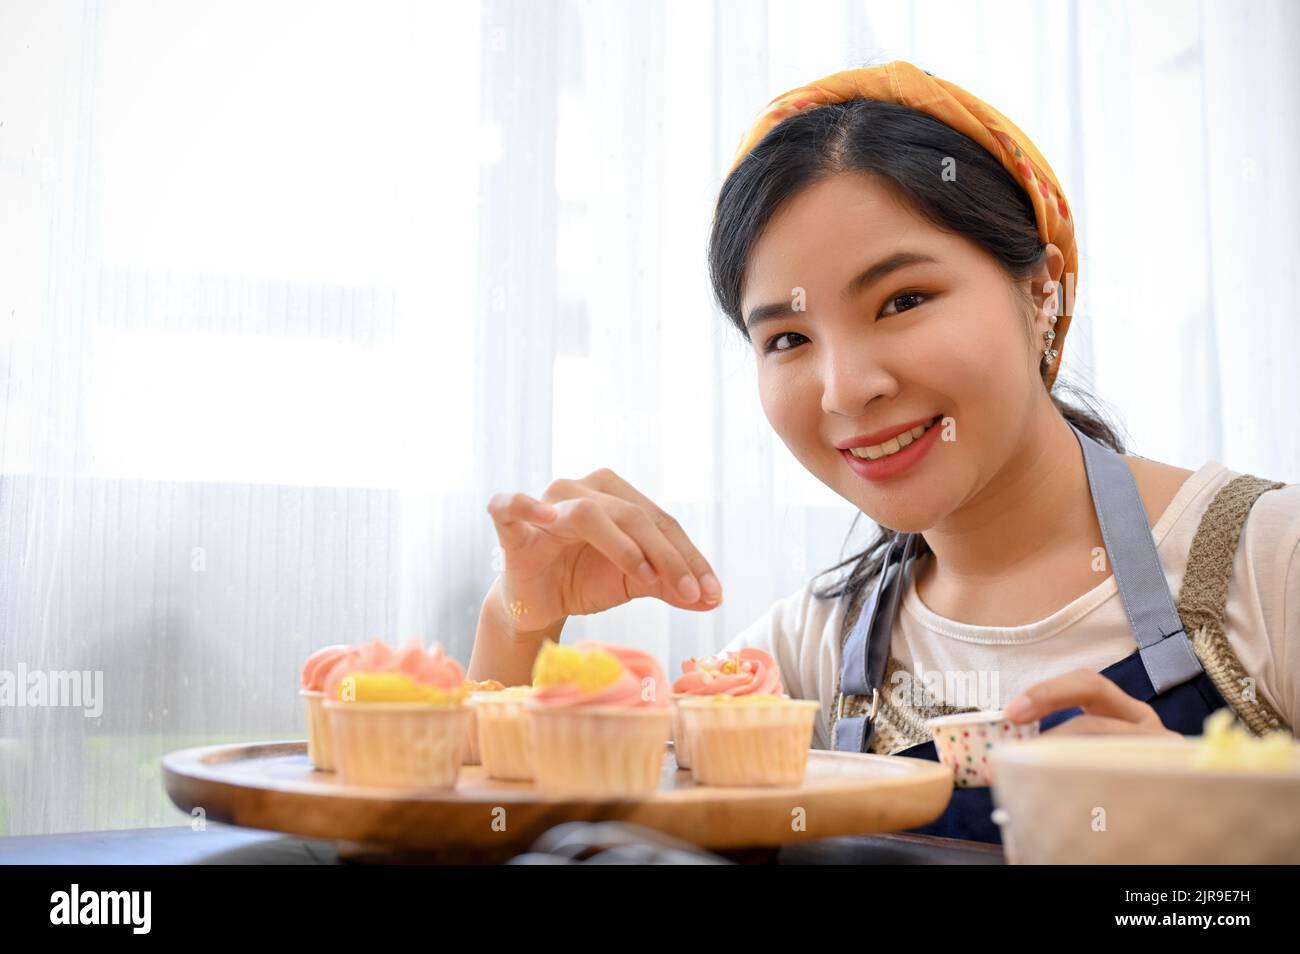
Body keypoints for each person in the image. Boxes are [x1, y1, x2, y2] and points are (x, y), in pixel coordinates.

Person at [467, 61, 1298, 843]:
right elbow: (533, 835)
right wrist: (524, 617)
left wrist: (1213, 830)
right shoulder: (808, 656)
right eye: (788, 337)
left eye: (903, 299)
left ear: (1042, 292)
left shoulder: (1271, 564)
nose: (845, 388)